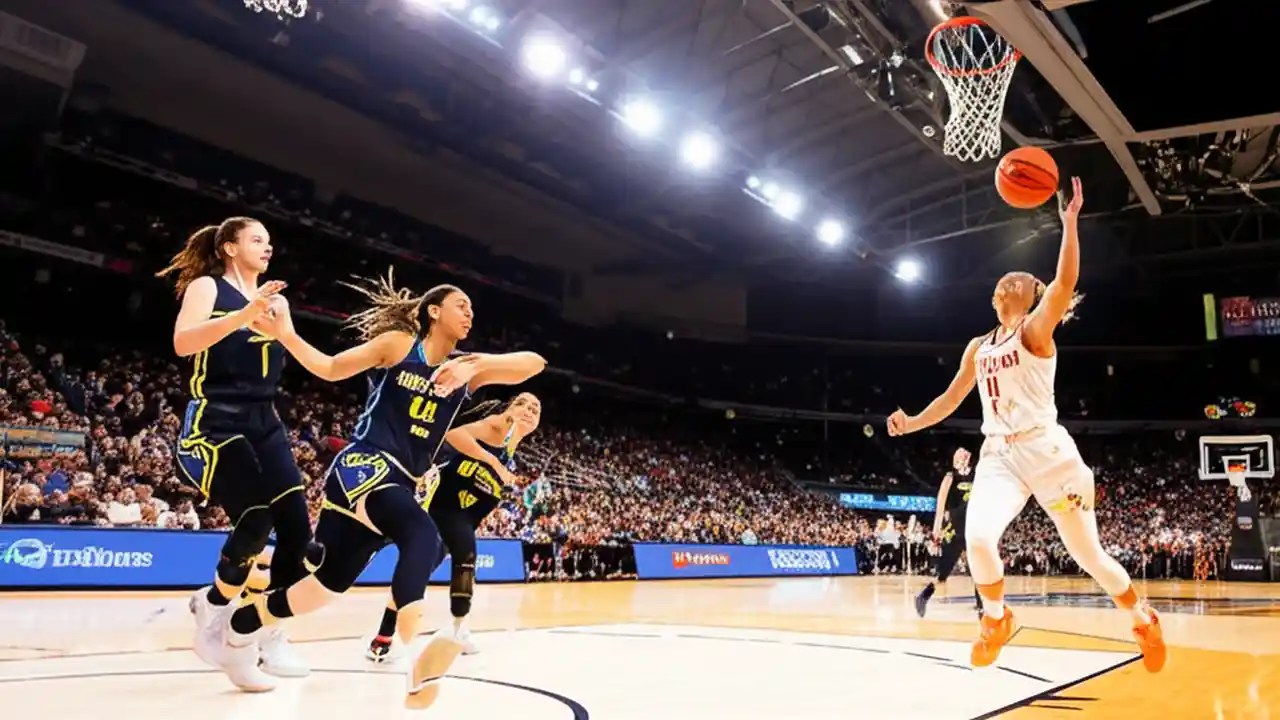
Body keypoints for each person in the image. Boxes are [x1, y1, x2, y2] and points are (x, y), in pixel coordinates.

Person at [194, 270, 546, 707]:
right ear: (433, 312)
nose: (470, 313)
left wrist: (473, 364)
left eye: (472, 309)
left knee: (324, 588)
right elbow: (329, 367)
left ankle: (238, 628)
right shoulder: (399, 345)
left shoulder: (469, 371)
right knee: (422, 534)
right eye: (461, 305)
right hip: (366, 464)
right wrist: (285, 333)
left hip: (401, 481)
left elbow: (535, 363)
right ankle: (416, 656)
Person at [886, 178, 1165, 672]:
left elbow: (1063, 283)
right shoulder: (978, 345)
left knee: (1089, 557)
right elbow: (952, 398)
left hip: (1049, 453)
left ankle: (1142, 618)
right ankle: (996, 618)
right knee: (976, 540)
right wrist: (910, 423)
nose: (1004, 282)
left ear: (1031, 294)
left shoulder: (1035, 331)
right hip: (999, 454)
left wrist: (1070, 222)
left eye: (1016, 279)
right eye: (1001, 281)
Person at [157, 217, 316, 679]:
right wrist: (245, 316)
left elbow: (293, 351)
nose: (268, 247)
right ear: (229, 247)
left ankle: (269, 633)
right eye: (257, 240)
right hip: (216, 419)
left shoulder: (277, 301)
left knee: (296, 531)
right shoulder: (209, 288)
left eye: (269, 241)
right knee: (255, 516)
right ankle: (214, 608)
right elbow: (183, 343)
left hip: (266, 420)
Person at [366, 392, 542, 662]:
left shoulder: (511, 449)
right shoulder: (498, 426)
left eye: (535, 409)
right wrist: (493, 463)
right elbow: (454, 435)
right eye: (522, 403)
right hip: (444, 507)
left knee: (417, 575)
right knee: (466, 554)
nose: (529, 410)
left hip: (462, 515)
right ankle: (459, 628)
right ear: (509, 407)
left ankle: (383, 636)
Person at [914, 447, 982, 618]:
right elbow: (940, 505)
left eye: (966, 453)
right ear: (955, 459)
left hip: (973, 527)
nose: (964, 455)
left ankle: (982, 606)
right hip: (954, 529)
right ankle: (923, 596)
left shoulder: (978, 475)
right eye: (959, 453)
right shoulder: (950, 477)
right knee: (944, 572)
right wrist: (936, 529)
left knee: (979, 568)